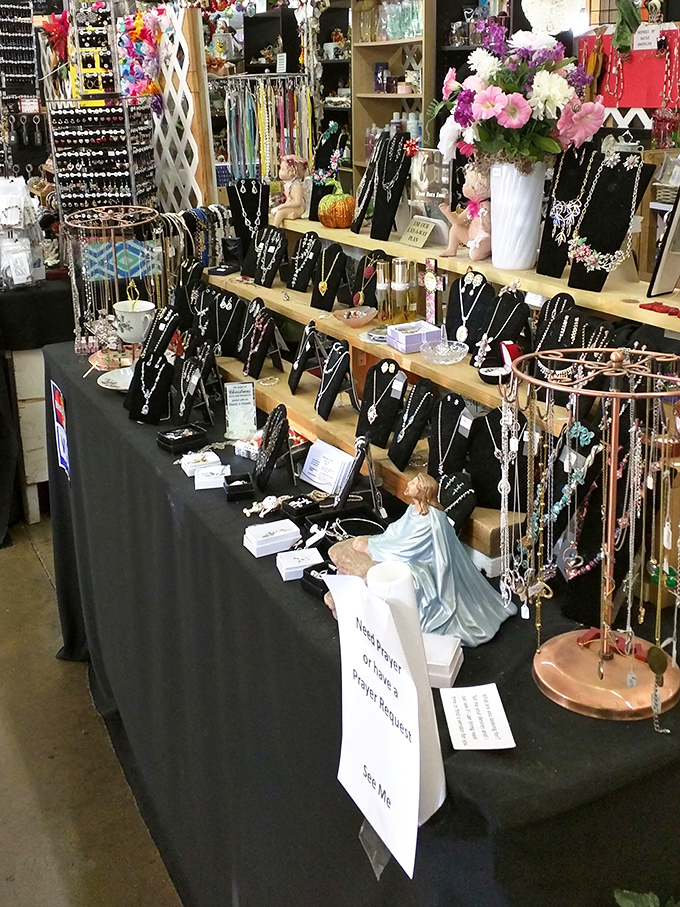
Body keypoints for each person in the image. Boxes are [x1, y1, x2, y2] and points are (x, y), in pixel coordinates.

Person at [352, 473, 515, 645]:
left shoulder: (431, 521)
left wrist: (372, 548)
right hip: (408, 556)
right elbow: (396, 532)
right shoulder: (412, 510)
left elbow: (409, 548)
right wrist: (377, 541)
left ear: (423, 492)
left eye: (414, 483)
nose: (409, 483)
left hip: (428, 567)